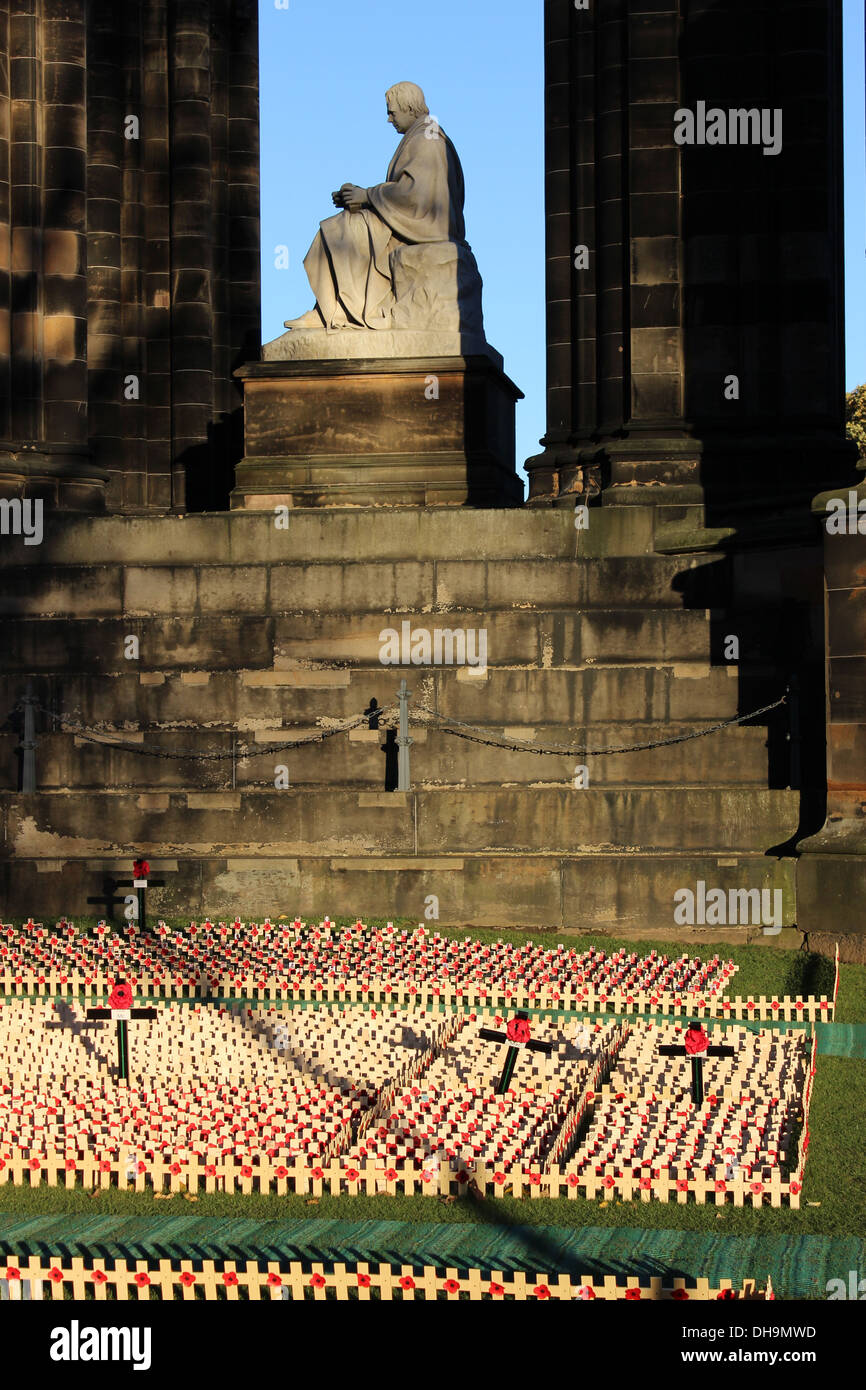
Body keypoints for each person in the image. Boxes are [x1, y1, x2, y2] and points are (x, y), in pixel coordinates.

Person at [285, 81, 472, 332]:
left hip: (423, 228)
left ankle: (335, 312)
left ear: (410, 108)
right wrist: (360, 197)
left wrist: (367, 196)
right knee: (345, 224)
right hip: (409, 221)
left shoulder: (428, 140)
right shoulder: (419, 135)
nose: (389, 119)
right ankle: (330, 308)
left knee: (342, 229)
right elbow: (408, 192)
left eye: (392, 112)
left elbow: (417, 195)